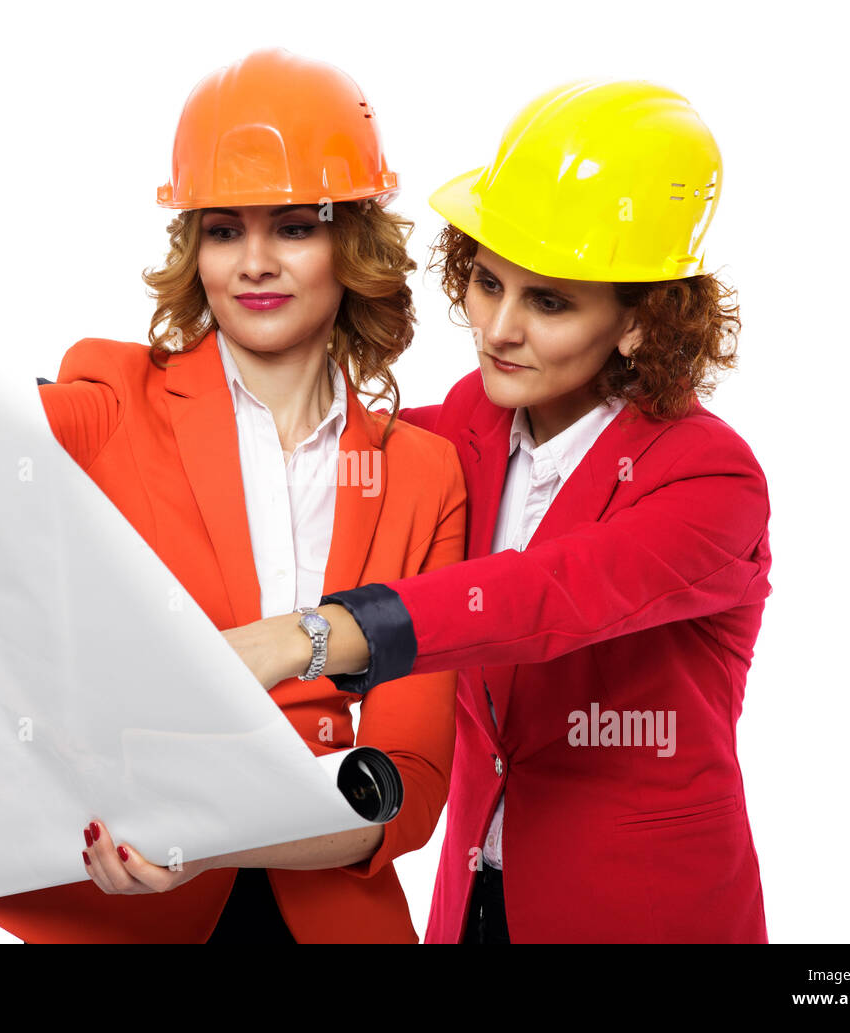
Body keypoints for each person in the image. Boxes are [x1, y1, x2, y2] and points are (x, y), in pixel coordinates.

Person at [0, 47, 467, 943]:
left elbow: (405, 782)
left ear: (353, 244)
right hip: (133, 913)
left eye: (294, 225)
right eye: (223, 229)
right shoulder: (110, 403)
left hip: (328, 905)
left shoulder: (421, 473)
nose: (254, 262)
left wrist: (208, 834)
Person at [222, 79, 773, 943]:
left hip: (645, 912)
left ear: (639, 322)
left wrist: (310, 635)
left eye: (548, 301)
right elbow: (315, 459)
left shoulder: (709, 479)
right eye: (487, 283)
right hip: (474, 903)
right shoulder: (464, 430)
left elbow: (547, 595)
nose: (497, 329)